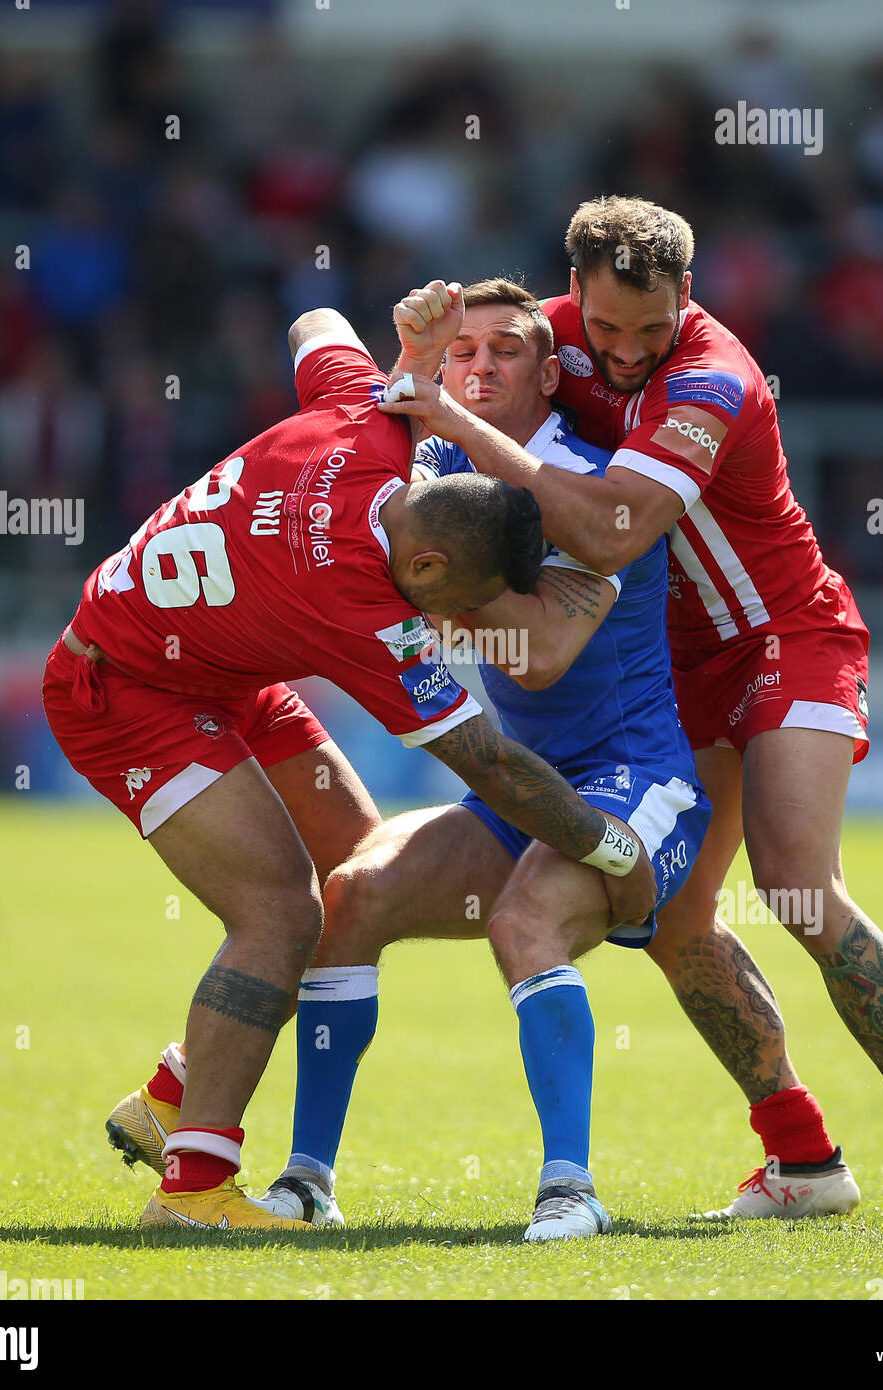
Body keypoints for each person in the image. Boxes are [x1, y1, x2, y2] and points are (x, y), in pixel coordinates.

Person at [381, 200, 883, 1227]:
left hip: (782, 631)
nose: (624, 353)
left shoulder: (713, 376)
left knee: (796, 883)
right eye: (607, 329)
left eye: (649, 330)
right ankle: (801, 1156)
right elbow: (438, 370)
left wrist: (458, 422)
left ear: (687, 299)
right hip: (679, 661)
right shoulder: (547, 335)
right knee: (673, 915)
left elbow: (615, 528)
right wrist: (421, 343)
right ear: (574, 296)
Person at [41, 304, 656, 1232]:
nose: (456, 623)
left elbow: (314, 320)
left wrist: (410, 347)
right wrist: (612, 853)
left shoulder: (368, 414)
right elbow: (491, 765)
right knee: (280, 912)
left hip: (214, 668)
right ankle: (195, 1192)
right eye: (463, 601)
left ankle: (175, 1090)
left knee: (356, 880)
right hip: (123, 687)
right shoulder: (367, 609)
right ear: (432, 561)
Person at [250, 278, 715, 1241]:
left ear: (549, 373)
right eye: (463, 353)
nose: (480, 365)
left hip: (636, 784)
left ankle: (571, 1192)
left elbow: (541, 659)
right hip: (521, 798)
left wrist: (414, 581)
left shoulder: (585, 490)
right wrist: (408, 360)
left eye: (505, 350)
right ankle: (307, 1182)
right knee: (354, 891)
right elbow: (332, 416)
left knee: (524, 918)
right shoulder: (432, 460)